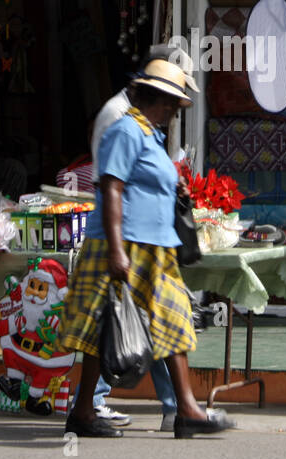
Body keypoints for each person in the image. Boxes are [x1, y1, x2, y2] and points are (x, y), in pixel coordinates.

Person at [58, 58, 234, 438]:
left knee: (173, 321)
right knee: (100, 327)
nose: (173, 111)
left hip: (156, 249)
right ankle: (84, 412)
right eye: (170, 103)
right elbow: (112, 187)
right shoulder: (125, 131)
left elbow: (146, 181)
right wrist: (116, 250)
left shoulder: (150, 135)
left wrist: (175, 187)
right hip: (124, 244)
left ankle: (185, 410)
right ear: (156, 99)